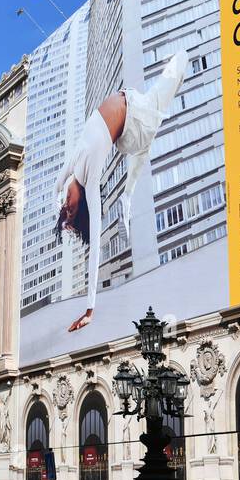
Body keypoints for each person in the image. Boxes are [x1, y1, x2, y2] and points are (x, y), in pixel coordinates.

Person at [55, 49, 188, 333]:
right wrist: (90, 309)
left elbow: (58, 183)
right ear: (83, 206)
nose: (66, 205)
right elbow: (93, 256)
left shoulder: (70, 171)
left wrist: (61, 206)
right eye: (71, 209)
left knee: (142, 153)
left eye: (64, 208)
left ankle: (128, 197)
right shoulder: (90, 180)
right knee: (178, 67)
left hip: (132, 108)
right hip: (135, 126)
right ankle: (127, 198)